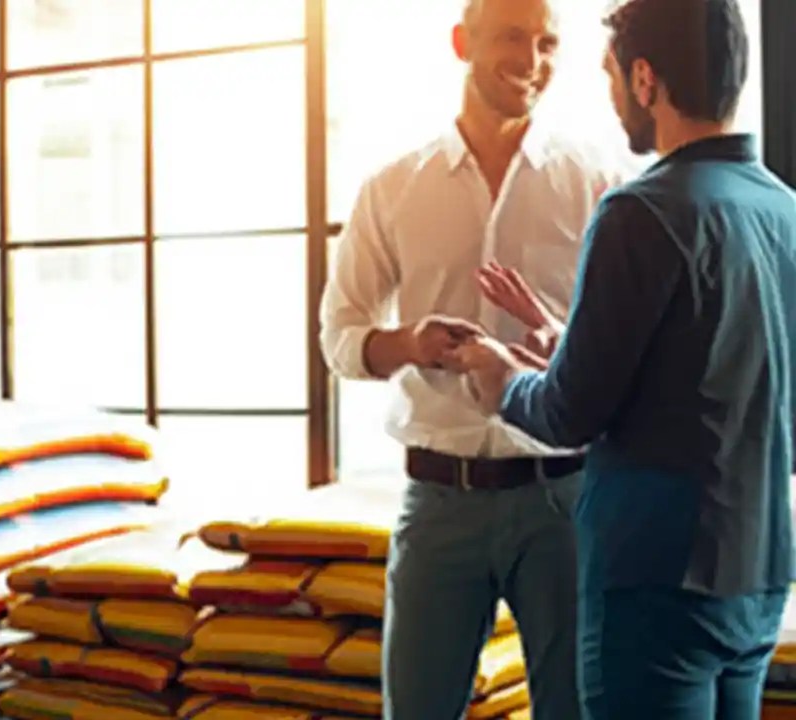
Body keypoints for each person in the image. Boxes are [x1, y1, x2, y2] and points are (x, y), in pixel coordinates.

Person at [455, 0, 796, 716]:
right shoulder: (783, 211)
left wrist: (500, 378)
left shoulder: (639, 211)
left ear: (646, 79)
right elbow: (727, 373)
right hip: (759, 573)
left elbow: (568, 412)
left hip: (656, 582)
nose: (612, 99)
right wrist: (567, 340)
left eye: (611, 74)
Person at [318, 0, 622, 715]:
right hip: (439, 501)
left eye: (548, 42)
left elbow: (622, 342)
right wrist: (409, 342)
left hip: (565, 499)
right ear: (462, 42)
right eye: (513, 37)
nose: (533, 59)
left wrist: (559, 341)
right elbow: (340, 331)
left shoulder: (597, 180)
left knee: (576, 709)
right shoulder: (393, 187)